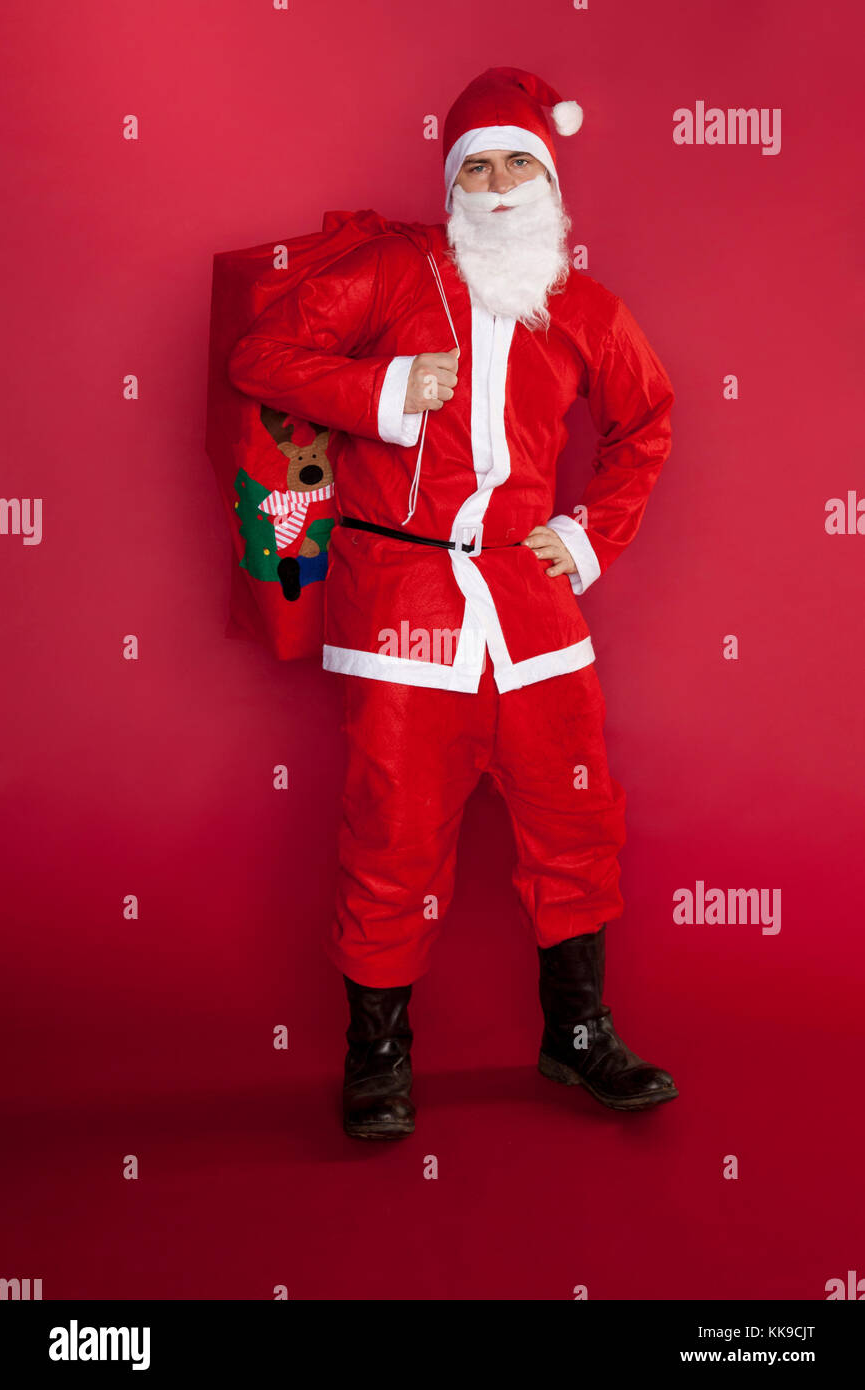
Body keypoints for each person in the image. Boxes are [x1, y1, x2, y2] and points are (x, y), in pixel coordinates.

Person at [228, 66, 679, 1139]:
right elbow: (262, 355)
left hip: (530, 608)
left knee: (574, 818)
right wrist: (383, 393)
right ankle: (376, 1056)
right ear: (452, 185)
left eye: (517, 160)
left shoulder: (583, 307)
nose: (497, 180)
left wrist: (581, 537)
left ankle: (575, 1038)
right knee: (391, 831)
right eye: (475, 163)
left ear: (550, 182)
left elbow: (646, 424)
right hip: (402, 607)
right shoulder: (390, 272)